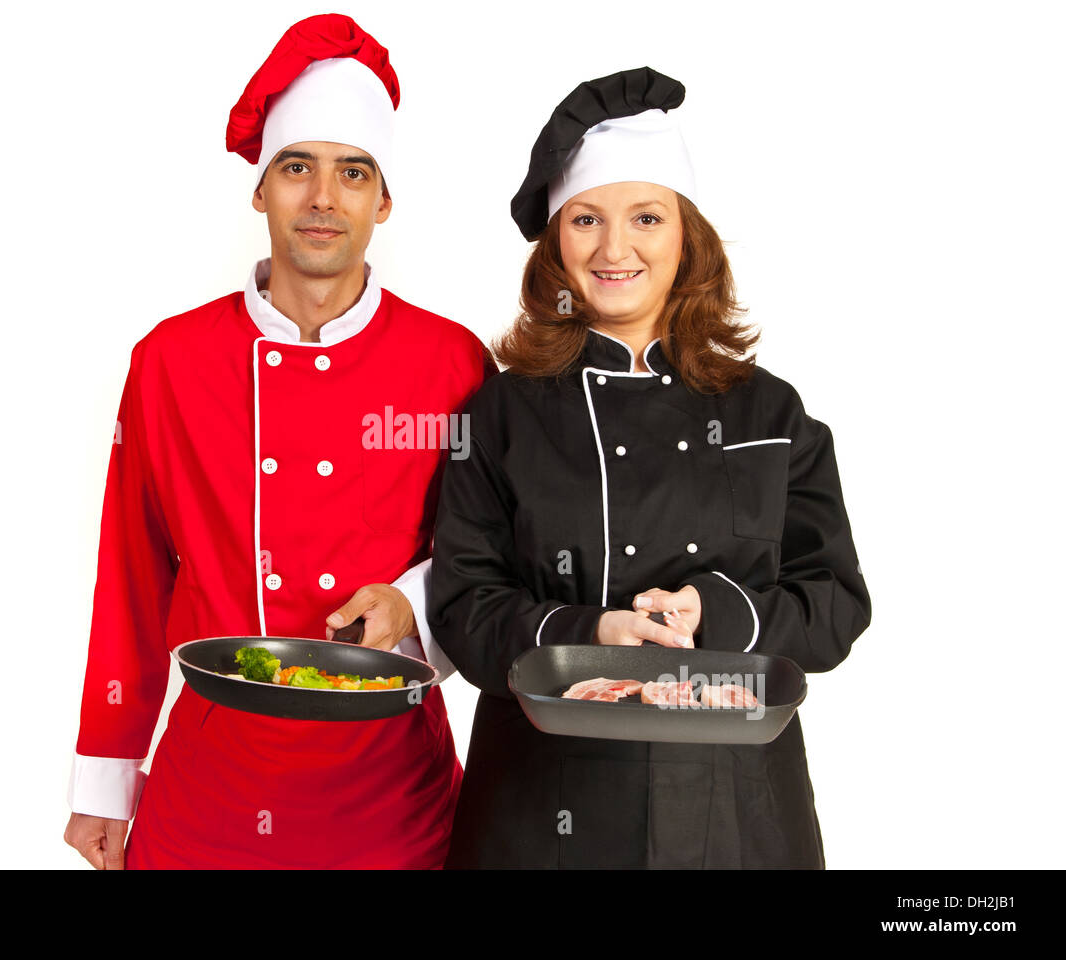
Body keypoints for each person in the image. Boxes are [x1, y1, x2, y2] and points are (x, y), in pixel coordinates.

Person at [63, 14, 496, 869]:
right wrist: (104, 781)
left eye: (353, 172)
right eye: (297, 168)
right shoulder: (170, 362)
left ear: (385, 198)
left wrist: (412, 601)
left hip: (390, 789)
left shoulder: (452, 363)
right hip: (212, 783)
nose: (324, 198)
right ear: (261, 189)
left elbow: (491, 556)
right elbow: (132, 575)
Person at [426, 67, 871, 868]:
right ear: (557, 242)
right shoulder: (501, 414)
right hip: (540, 810)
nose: (614, 248)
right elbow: (463, 607)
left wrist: (716, 614)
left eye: (646, 217)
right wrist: (590, 634)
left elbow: (835, 606)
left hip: (733, 807)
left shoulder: (771, 413)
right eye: (586, 219)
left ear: (687, 236)